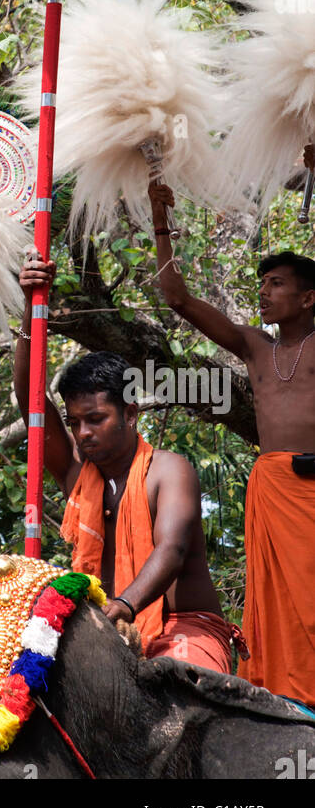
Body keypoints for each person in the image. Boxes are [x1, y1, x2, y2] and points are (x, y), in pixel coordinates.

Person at [14, 257, 237, 673]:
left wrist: (122, 606)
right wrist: (31, 306)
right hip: (108, 629)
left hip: (185, 628)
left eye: (96, 419)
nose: (82, 433)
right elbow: (30, 397)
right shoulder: (78, 474)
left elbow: (172, 549)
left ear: (131, 413)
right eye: (74, 422)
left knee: (177, 692)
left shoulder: (169, 470)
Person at [150, 178, 315, 705]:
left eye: (277, 283)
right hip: (275, 488)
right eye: (262, 281)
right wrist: (160, 218)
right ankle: (294, 695)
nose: (264, 291)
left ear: (309, 297)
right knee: (285, 605)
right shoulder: (253, 346)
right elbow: (175, 297)